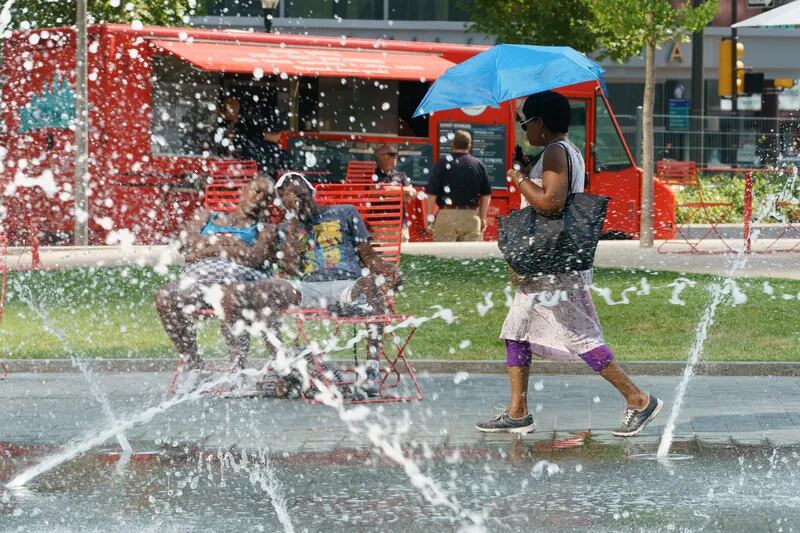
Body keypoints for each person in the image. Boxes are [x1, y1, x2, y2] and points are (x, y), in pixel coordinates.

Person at [475, 91, 663, 437]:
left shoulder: (556, 151)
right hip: (549, 263)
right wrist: (526, 169)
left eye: (525, 124)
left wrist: (517, 178)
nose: (524, 130)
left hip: (555, 266)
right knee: (515, 332)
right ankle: (518, 412)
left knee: (579, 335)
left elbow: (550, 202)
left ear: (540, 123)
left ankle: (638, 399)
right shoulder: (561, 151)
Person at [220, 172, 403, 397]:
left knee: (370, 282)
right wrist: (294, 222)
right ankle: (281, 362)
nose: (298, 201)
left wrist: (389, 270)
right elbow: (290, 267)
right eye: (290, 199)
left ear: (311, 192)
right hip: (308, 289)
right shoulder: (287, 228)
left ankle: (372, 370)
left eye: (301, 195)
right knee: (266, 288)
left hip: (349, 286)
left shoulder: (345, 212)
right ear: (284, 204)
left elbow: (369, 256)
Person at [155, 176, 277, 372]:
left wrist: (206, 248)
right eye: (256, 191)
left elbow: (254, 258)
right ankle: (194, 366)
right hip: (198, 283)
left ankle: (237, 370)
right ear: (243, 191)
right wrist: (234, 245)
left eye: (267, 196)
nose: (260, 198)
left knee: (229, 294)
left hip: (239, 285)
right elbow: (185, 243)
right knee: (165, 295)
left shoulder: (266, 229)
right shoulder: (207, 216)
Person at [424, 130, 492, 242]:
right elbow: (486, 195)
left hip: (446, 216)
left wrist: (428, 217)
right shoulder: (478, 165)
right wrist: (482, 217)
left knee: (444, 253)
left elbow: (431, 194)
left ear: (453, 144)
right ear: (469, 146)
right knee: (470, 253)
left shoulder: (442, 163)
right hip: (471, 216)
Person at [373, 143, 417, 241]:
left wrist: (387, 192)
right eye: (392, 154)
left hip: (400, 225)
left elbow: (412, 194)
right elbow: (375, 192)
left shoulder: (401, 175)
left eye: (396, 154)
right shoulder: (374, 175)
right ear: (382, 156)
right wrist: (401, 192)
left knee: (403, 250)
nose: (396, 157)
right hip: (379, 226)